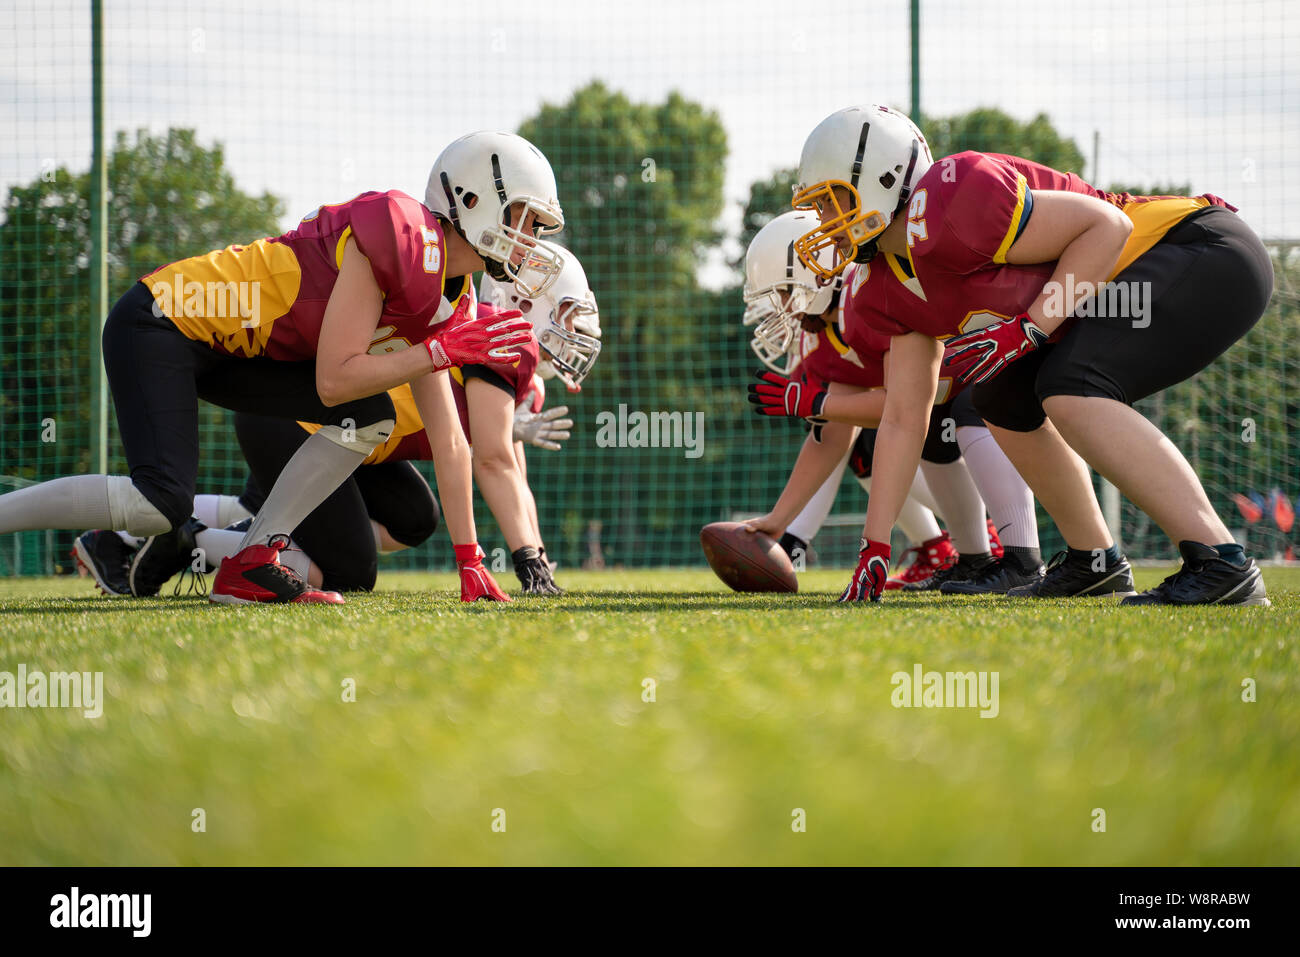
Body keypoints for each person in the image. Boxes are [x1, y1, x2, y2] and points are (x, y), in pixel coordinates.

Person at [0, 131, 559, 604]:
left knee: (370, 418)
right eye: (524, 219)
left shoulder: (450, 295)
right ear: (473, 197)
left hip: (237, 352)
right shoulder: (403, 235)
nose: (530, 238)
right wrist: (438, 353)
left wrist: (469, 559)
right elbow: (334, 378)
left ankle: (251, 557)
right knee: (158, 503)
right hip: (166, 320)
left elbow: (452, 442)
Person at [792, 104, 1272, 605]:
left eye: (830, 201)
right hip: (1116, 288)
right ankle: (1094, 560)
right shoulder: (881, 287)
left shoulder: (950, 199)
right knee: (1000, 398)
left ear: (882, 179)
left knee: (1072, 386)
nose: (823, 221)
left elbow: (1108, 227)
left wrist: (1031, 328)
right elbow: (902, 417)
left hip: (1195, 246)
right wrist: (876, 545)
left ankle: (1220, 560)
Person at [742, 211, 1041, 592]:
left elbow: (902, 403)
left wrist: (818, 401)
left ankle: (1021, 556)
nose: (781, 307)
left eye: (783, 291)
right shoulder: (822, 344)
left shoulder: (866, 298)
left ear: (818, 272)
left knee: (971, 410)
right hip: (940, 399)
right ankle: (972, 558)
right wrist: (780, 519)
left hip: (988, 366)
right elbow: (831, 439)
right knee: (915, 439)